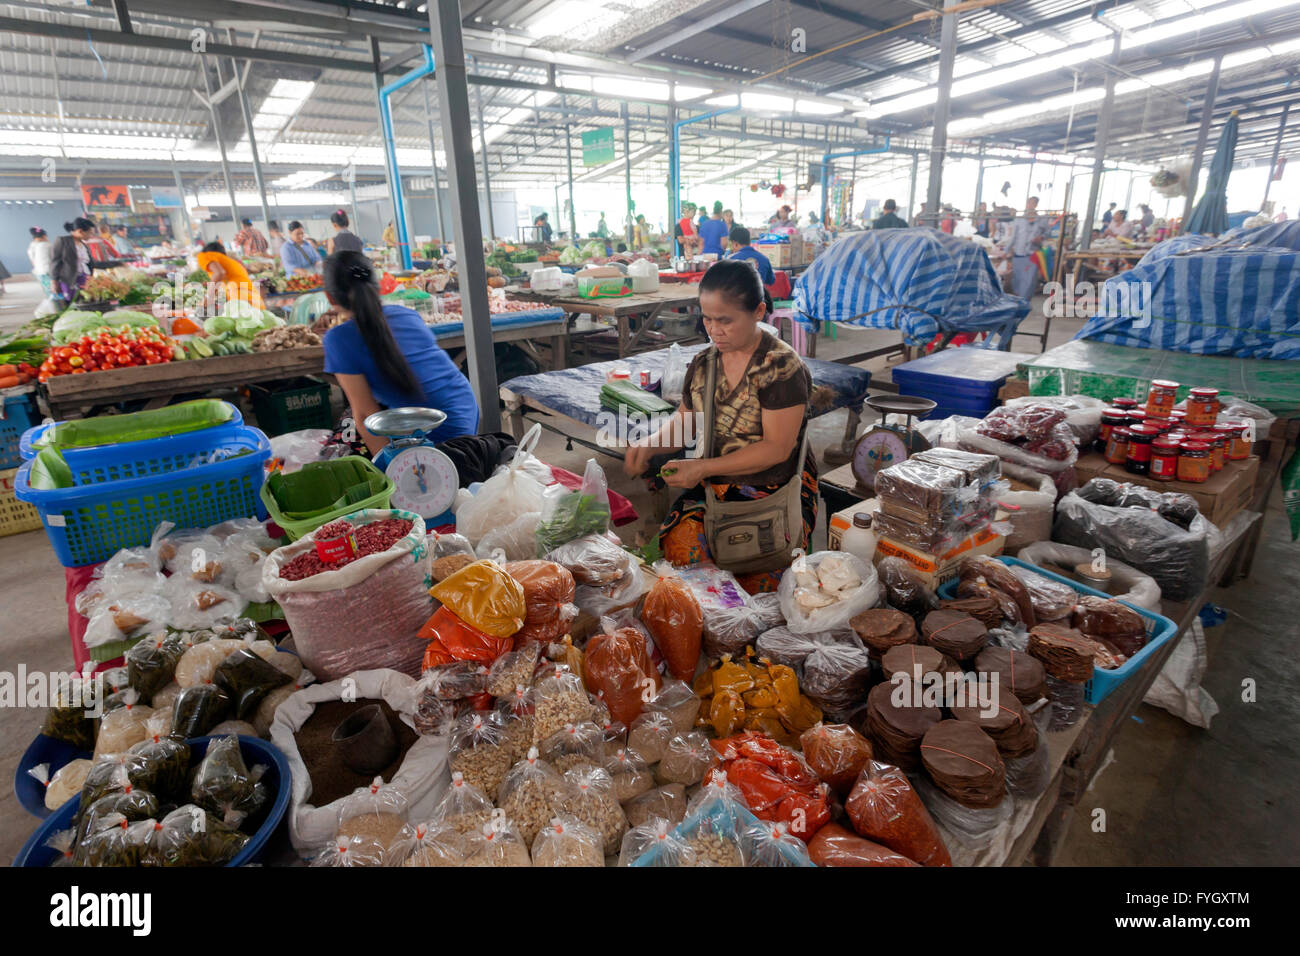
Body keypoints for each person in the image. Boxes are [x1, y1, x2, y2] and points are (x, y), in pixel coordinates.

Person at [623, 259, 816, 593]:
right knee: (682, 563)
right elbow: (684, 424)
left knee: (762, 586)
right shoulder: (703, 364)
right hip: (717, 486)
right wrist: (649, 444)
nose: (714, 330)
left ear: (758, 311)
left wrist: (702, 467)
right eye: (707, 319)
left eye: (725, 320)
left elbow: (777, 448)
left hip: (772, 490)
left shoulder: (780, 367)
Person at [321, 251, 479, 453]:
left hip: (436, 431)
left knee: (348, 428)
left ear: (329, 296)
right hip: (464, 408)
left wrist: (392, 471)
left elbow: (363, 415)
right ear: (377, 286)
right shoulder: (407, 315)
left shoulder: (338, 339)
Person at [1000, 198, 1048, 300]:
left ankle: (1025, 301)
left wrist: (1041, 238)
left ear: (1036, 205)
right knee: (1018, 280)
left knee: (1029, 281)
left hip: (1033, 254)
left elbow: (1046, 233)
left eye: (1032, 203)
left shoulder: (1042, 220)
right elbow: (1013, 237)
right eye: (1028, 203)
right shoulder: (1019, 220)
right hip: (1019, 254)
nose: (1029, 205)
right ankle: (1018, 300)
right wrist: (1006, 251)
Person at [196, 241, 264, 308]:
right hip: (255, 303)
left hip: (243, 303)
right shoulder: (231, 262)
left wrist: (208, 297)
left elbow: (219, 273)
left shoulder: (203, 255)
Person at [50, 218, 95, 302]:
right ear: (80, 231)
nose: (91, 236)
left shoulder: (84, 245)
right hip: (69, 281)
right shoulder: (62, 241)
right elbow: (55, 262)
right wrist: (54, 282)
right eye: (90, 233)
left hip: (85, 279)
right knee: (72, 303)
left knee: (86, 302)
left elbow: (90, 263)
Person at [27, 227, 53, 296]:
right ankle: (56, 304)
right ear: (44, 236)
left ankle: (51, 303)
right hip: (47, 271)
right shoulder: (47, 245)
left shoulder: (32, 245)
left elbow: (32, 260)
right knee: (52, 290)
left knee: (47, 290)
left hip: (39, 272)